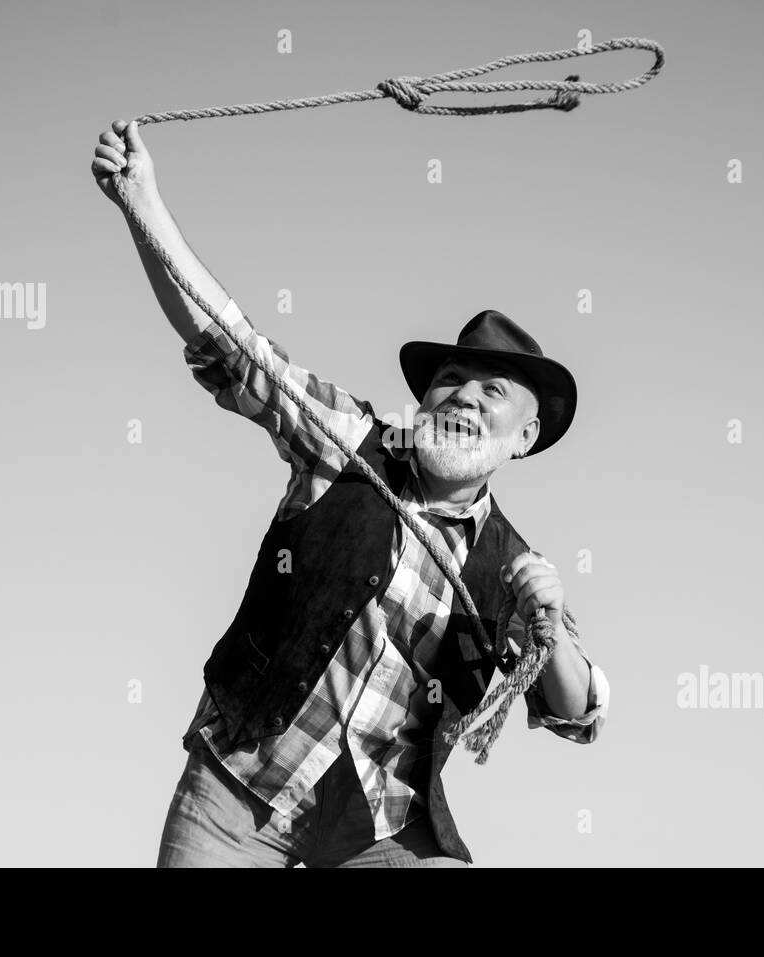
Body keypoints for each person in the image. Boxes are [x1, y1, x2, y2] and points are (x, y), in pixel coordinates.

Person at [91, 119, 610, 867]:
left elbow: (578, 713)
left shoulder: (512, 567)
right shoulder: (351, 444)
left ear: (523, 435)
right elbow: (237, 347)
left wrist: (551, 629)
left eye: (493, 390)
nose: (464, 398)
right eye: (450, 381)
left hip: (381, 822)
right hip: (241, 784)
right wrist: (143, 204)